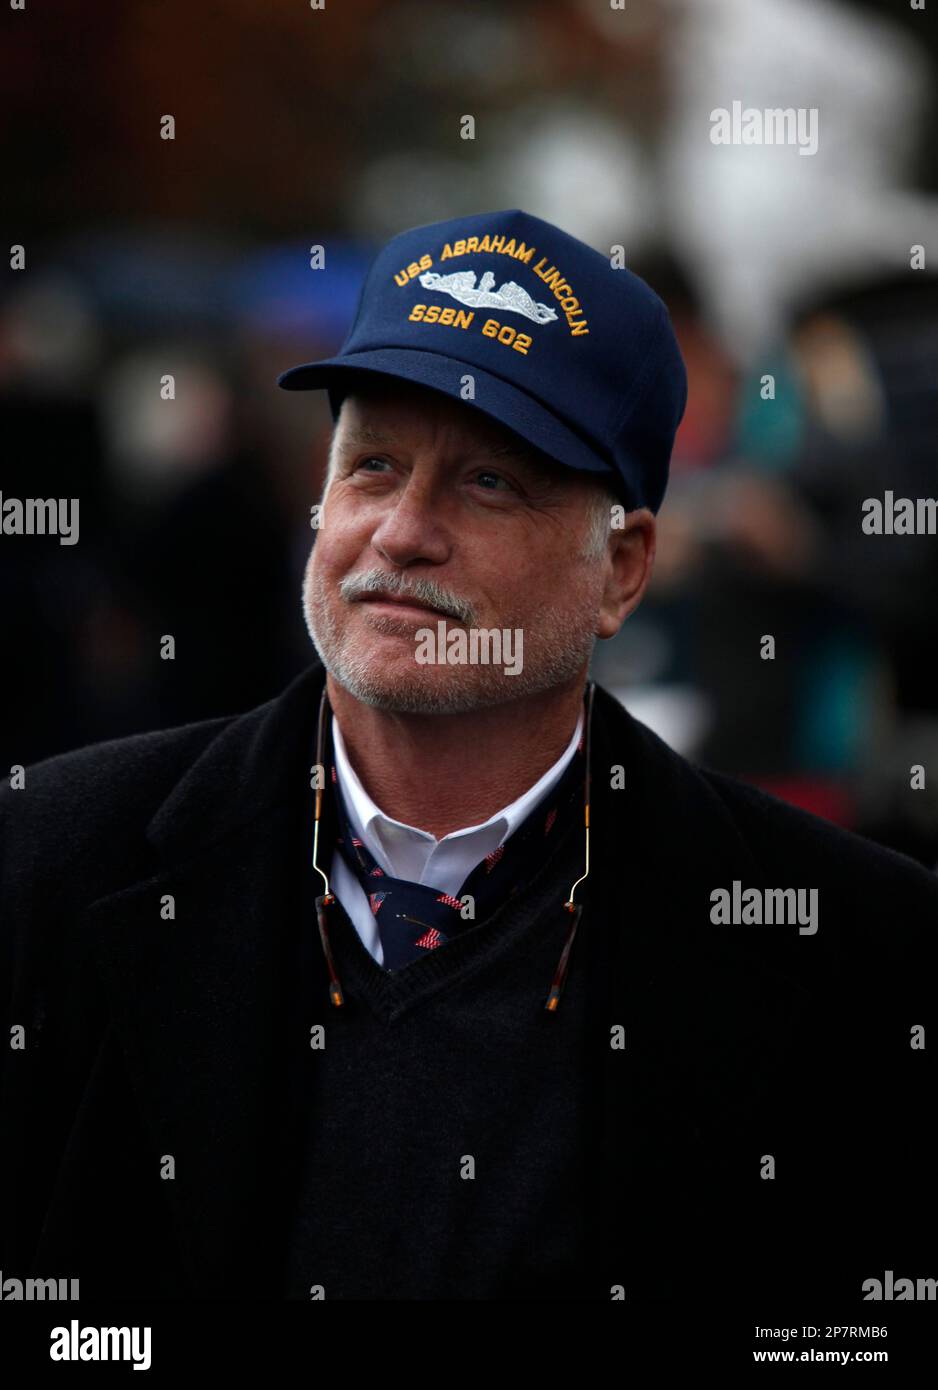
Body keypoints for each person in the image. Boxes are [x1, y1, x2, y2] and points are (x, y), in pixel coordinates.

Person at [1, 210, 935, 1303]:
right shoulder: (51, 863)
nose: (400, 530)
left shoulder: (855, 948)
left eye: (487, 481)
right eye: (374, 464)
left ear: (620, 570)